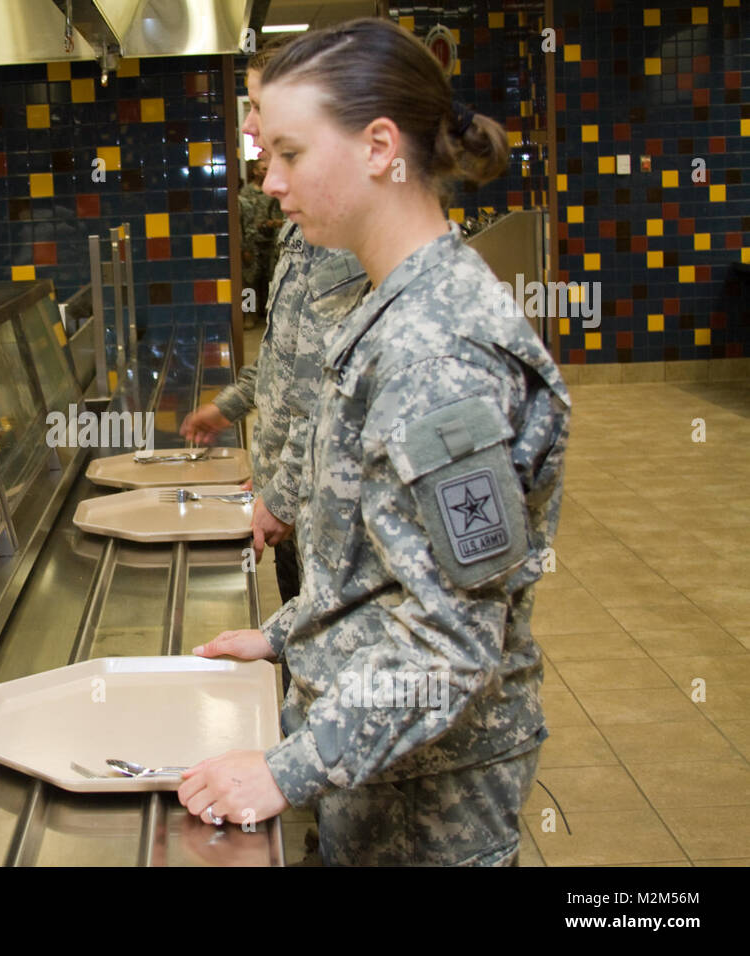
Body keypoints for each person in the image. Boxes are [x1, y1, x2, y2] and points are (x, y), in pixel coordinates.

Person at [176, 18, 571, 866]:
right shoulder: (388, 305)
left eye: (288, 153)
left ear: (378, 146)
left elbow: (454, 641)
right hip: (377, 750)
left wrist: (290, 768)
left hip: (431, 789)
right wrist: (289, 633)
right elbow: (381, 554)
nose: (268, 179)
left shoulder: (441, 353)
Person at [181, 41, 366, 614]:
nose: (253, 130)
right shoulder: (303, 229)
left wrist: (280, 497)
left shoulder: (347, 245)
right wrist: (233, 405)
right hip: (293, 503)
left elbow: (323, 396)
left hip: (318, 509)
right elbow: (287, 355)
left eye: (260, 108)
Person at [239, 155, 281, 329]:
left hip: (270, 243)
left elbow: (279, 216)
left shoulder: (273, 191)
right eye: (263, 169)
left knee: (270, 279)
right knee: (249, 283)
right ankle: (248, 314)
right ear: (255, 171)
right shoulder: (246, 193)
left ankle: (267, 312)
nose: (266, 171)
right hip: (252, 243)